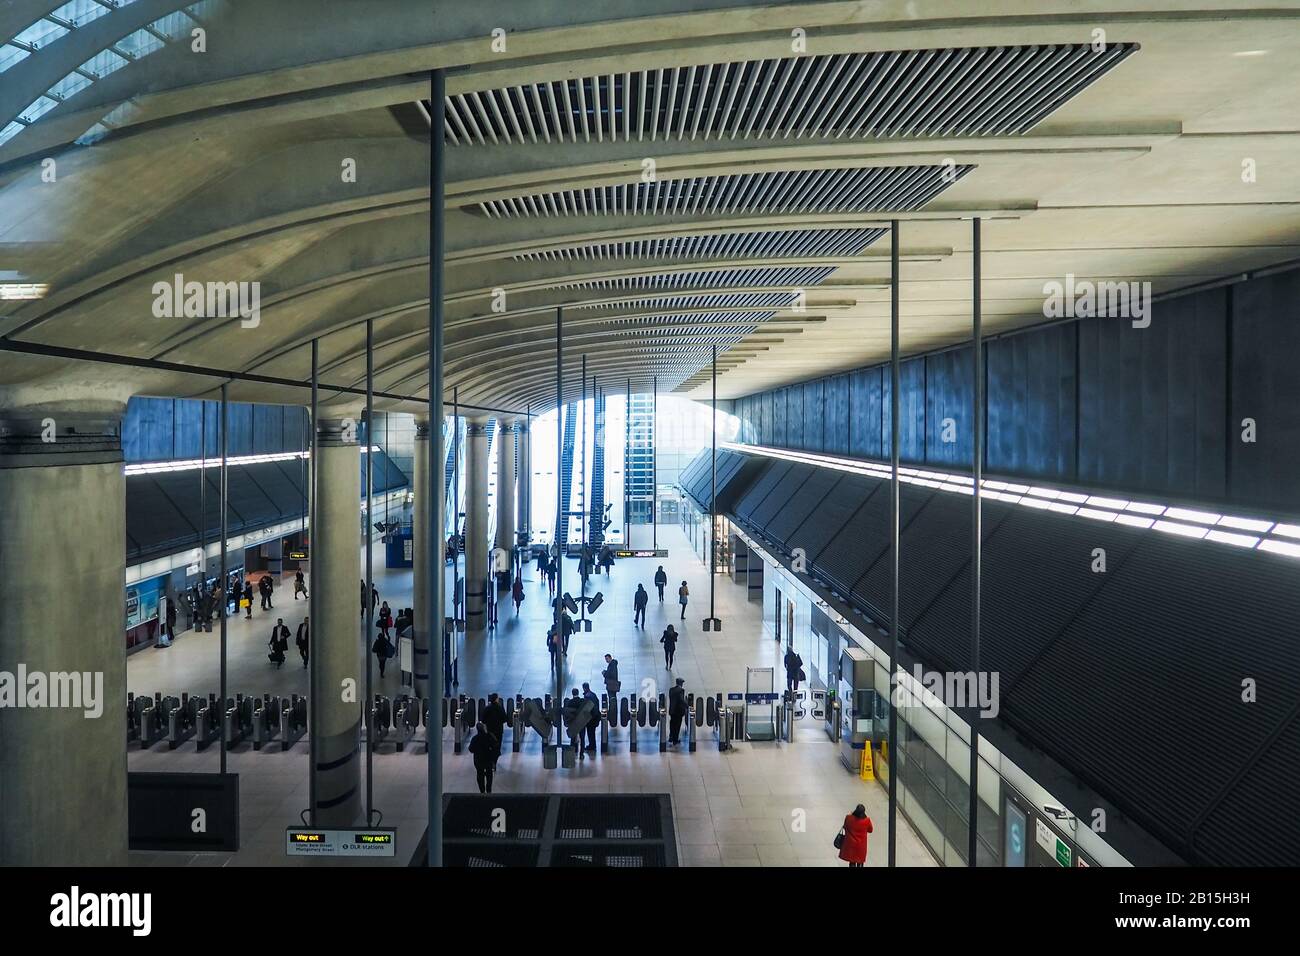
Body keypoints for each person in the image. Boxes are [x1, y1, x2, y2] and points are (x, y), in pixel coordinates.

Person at [468, 721, 500, 793]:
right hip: (488, 759)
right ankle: (489, 790)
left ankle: (482, 790)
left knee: (480, 774)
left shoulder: (475, 738)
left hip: (478, 760)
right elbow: (496, 745)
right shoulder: (489, 736)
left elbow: (471, 749)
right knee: (489, 774)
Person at [481, 693, 507, 760]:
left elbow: (483, 720)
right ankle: (495, 759)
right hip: (499, 730)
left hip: (490, 730)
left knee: (491, 744)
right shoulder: (500, 708)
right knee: (497, 745)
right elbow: (504, 719)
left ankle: (491, 757)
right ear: (496, 699)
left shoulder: (487, 708)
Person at [667, 678, 687, 746]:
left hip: (672, 710)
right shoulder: (681, 690)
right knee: (677, 726)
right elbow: (681, 700)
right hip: (678, 711)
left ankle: (671, 737)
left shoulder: (671, 690)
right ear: (681, 683)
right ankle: (675, 740)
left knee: (672, 724)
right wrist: (687, 706)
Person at [581, 682, 600, 752]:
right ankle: (593, 745)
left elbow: (587, 708)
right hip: (595, 717)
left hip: (591, 718)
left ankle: (591, 746)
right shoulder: (593, 694)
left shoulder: (587, 696)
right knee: (592, 732)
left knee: (590, 732)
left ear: (584, 688)